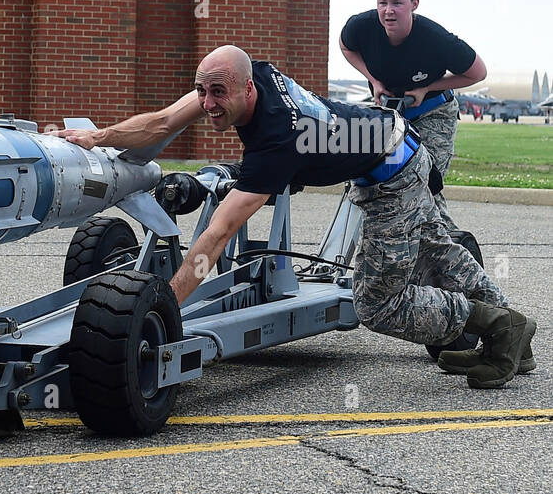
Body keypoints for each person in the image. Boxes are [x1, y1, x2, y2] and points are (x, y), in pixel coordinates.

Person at [55, 46, 535, 388]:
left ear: (245, 88)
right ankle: (517, 336)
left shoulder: (278, 142)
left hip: (395, 171)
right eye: (201, 91)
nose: (207, 104)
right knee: (441, 256)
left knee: (377, 304)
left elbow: (217, 235)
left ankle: (491, 324)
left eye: (217, 93)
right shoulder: (245, 76)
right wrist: (98, 138)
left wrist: (164, 307)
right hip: (389, 146)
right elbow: (162, 122)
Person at [339, 0, 485, 232]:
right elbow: (345, 46)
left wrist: (427, 86)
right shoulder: (361, 27)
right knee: (377, 180)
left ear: (414, 4)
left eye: (397, 3)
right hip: (391, 114)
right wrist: (374, 80)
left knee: (424, 181)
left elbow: (477, 72)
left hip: (432, 112)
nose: (388, 11)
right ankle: (393, 251)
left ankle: (451, 253)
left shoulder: (436, 39)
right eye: (382, 3)